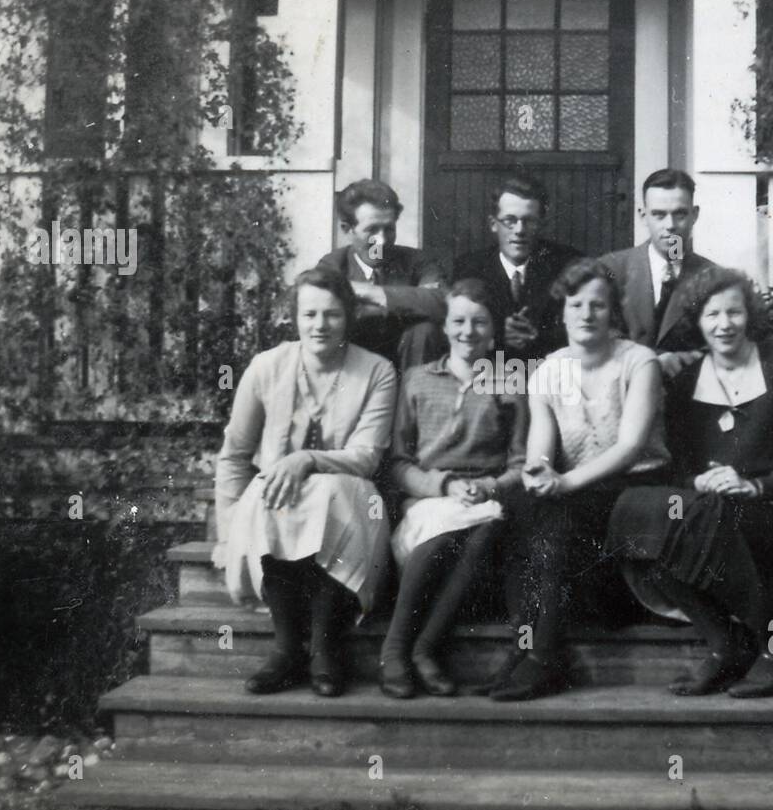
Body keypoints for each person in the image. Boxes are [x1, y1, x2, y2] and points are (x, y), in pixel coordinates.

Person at [606, 267, 773, 697]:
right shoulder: (686, 381)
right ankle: (725, 641)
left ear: (750, 315)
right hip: (710, 510)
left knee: (696, 521)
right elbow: (679, 464)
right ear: (698, 322)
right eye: (712, 315)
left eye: (734, 313)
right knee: (637, 514)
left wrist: (753, 485)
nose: (724, 324)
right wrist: (699, 480)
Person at [478, 258, 671, 702]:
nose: (586, 314)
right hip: (579, 489)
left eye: (598, 305)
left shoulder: (639, 362)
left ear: (613, 313)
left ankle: (545, 659)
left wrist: (562, 484)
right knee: (519, 511)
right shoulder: (548, 370)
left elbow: (630, 448)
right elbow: (541, 448)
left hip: (636, 487)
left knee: (558, 517)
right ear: (562, 311)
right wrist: (538, 471)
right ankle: (522, 651)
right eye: (577, 304)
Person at [213, 266, 398, 696]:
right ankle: (285, 648)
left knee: (330, 490)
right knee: (265, 488)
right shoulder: (266, 367)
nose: (320, 325)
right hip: (280, 504)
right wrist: (227, 533)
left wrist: (306, 459)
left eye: (332, 314)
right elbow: (235, 456)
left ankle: (323, 646)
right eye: (309, 314)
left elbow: (367, 457)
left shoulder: (377, 371)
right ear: (294, 317)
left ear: (349, 317)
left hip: (348, 497)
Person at [379, 279, 529, 699]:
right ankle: (403, 649)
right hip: (429, 501)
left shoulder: (510, 383)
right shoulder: (416, 379)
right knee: (455, 530)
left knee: (487, 526)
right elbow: (398, 463)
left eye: (480, 323)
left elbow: (521, 465)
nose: (469, 332)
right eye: (459, 321)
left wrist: (486, 486)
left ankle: (417, 649)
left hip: (485, 505)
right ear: (444, 327)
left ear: (494, 329)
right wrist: (443, 484)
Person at [596, 168, 717, 378]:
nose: (670, 226)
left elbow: (723, 344)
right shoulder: (610, 269)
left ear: (694, 215)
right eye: (659, 215)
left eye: (679, 214)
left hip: (686, 396)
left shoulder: (713, 277)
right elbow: (598, 333)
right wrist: (651, 360)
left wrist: (682, 359)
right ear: (643, 215)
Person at [451, 174, 583, 364]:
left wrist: (538, 336)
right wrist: (496, 333)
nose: (519, 230)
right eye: (510, 220)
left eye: (529, 221)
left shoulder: (567, 264)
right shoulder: (469, 268)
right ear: (493, 224)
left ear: (542, 224)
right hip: (487, 373)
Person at [315, 179, 447, 369]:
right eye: (372, 230)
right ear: (347, 229)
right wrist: (409, 302)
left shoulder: (418, 262)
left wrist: (370, 293)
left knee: (424, 330)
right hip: (355, 372)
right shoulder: (334, 265)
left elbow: (442, 300)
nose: (382, 241)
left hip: (410, 368)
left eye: (389, 229)